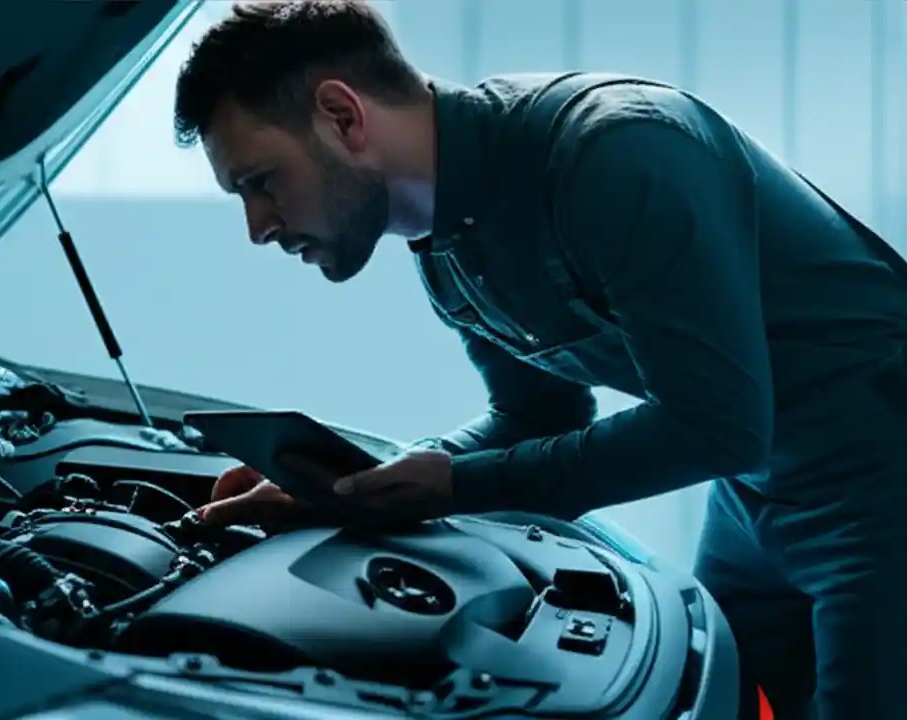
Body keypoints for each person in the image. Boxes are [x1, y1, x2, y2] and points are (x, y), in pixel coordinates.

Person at [171, 2, 907, 718]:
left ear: (342, 116)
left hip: (882, 481)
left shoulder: (619, 151)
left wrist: (453, 485)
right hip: (754, 499)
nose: (258, 228)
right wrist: (349, 485)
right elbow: (537, 414)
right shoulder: (442, 249)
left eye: (260, 182)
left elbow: (717, 425)